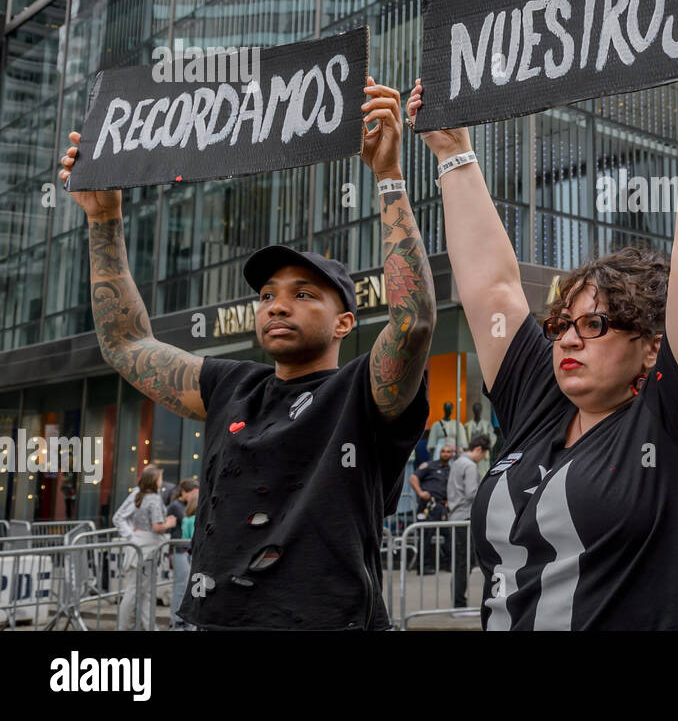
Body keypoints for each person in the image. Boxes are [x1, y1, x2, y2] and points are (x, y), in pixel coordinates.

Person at [405, 0, 678, 629]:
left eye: (595, 325)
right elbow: (493, 291)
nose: (569, 339)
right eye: (562, 324)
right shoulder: (545, 405)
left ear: (652, 345)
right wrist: (453, 153)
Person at [60, 78, 434, 630]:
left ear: (345, 322)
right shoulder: (232, 386)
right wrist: (103, 219)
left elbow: (414, 320)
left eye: (303, 294)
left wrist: (387, 177)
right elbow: (126, 343)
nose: (277, 306)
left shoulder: (362, 392)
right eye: (266, 296)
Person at [112, 466, 176, 630]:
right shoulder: (152, 498)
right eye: (160, 478)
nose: (162, 481)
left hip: (143, 546)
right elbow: (156, 526)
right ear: (155, 480)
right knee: (134, 591)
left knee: (143, 592)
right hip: (147, 548)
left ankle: (148, 627)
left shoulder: (142, 496)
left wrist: (134, 535)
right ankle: (122, 627)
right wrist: (170, 522)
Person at [447, 434, 492, 608]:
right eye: (484, 455)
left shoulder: (458, 463)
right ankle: (459, 602)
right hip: (464, 517)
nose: (483, 459)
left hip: (456, 517)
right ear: (479, 449)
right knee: (463, 563)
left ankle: (458, 600)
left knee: (460, 562)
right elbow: (472, 493)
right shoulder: (470, 466)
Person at [409, 440, 456, 572]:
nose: (445, 454)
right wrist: (420, 492)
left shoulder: (451, 470)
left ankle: (450, 565)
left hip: (442, 507)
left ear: (452, 454)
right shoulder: (429, 465)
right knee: (426, 536)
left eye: (448, 452)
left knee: (448, 536)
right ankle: (424, 567)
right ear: (439, 453)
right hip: (428, 506)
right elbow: (413, 478)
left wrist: (449, 500)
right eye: (443, 451)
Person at [165, 479, 199, 630]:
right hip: (179, 551)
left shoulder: (184, 506)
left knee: (187, 587)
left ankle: (185, 620)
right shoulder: (176, 506)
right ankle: (176, 620)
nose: (195, 497)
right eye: (193, 494)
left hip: (185, 551)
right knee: (181, 586)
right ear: (184, 492)